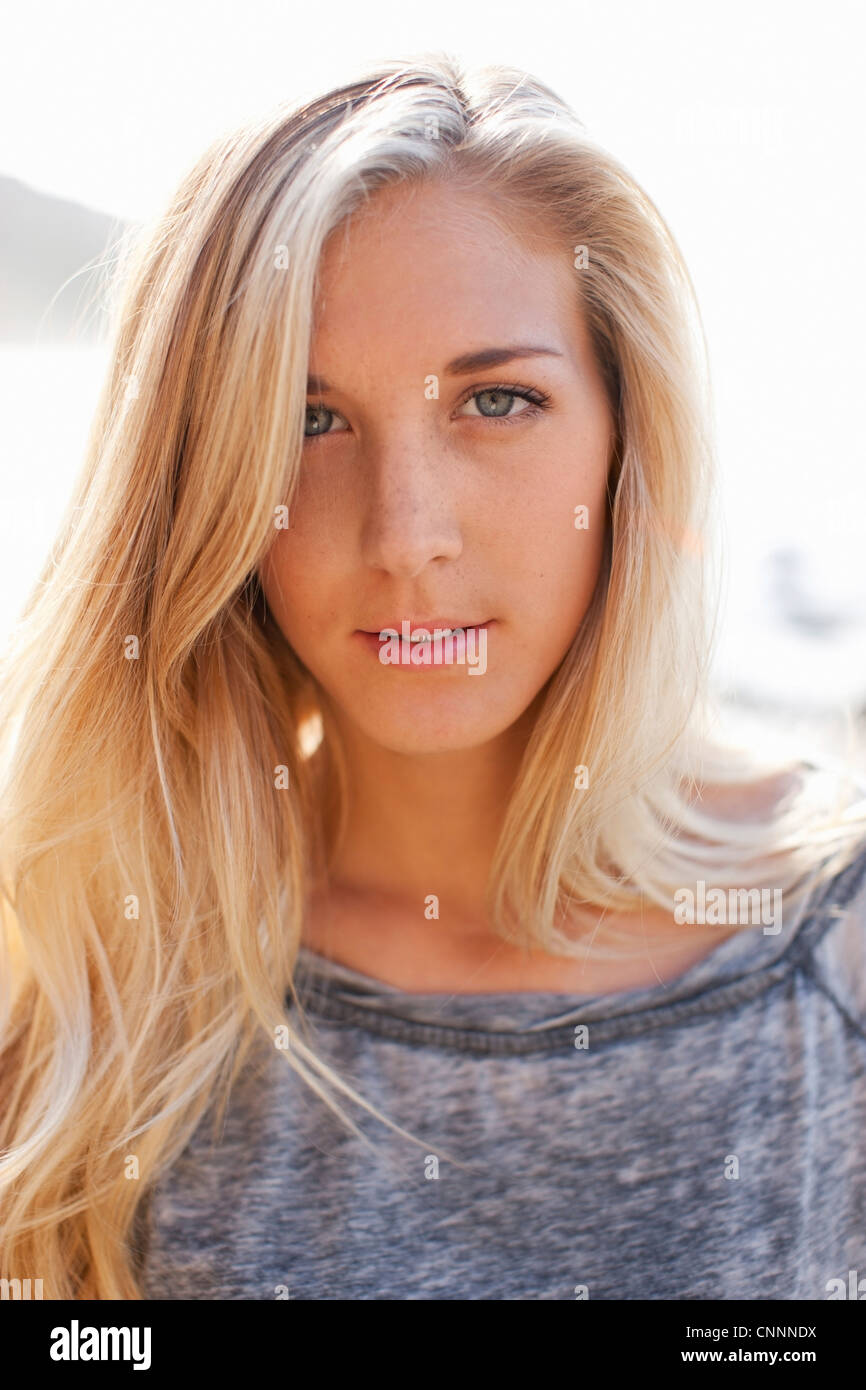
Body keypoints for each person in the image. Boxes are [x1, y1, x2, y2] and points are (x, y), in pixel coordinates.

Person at [1, 51, 865, 1302]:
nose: (405, 536)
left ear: (629, 435)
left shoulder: (834, 962)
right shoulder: (86, 998)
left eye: (497, 401)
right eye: (308, 421)